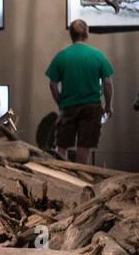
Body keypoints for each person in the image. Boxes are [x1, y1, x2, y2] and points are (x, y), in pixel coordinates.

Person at [45, 19, 113, 164]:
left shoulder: (61, 56)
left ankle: (60, 177)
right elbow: (107, 83)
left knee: (61, 145)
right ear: (87, 33)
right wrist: (108, 105)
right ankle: (81, 178)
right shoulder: (97, 55)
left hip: (68, 107)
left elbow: (52, 84)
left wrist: (61, 102)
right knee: (84, 146)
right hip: (91, 107)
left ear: (71, 34)